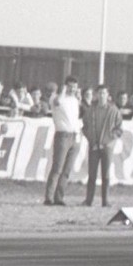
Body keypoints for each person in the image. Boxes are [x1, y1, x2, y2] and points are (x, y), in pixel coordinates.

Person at [81, 85, 123, 207]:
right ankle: (88, 200)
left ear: (108, 95)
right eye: (99, 93)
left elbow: (119, 129)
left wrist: (109, 140)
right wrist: (91, 140)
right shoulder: (91, 110)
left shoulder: (113, 110)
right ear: (96, 95)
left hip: (107, 147)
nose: (101, 95)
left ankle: (106, 200)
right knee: (92, 174)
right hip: (93, 146)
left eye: (104, 93)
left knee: (106, 174)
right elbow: (85, 127)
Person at [44, 75, 81, 206]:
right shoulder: (57, 98)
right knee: (57, 168)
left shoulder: (75, 100)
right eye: (70, 87)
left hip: (74, 135)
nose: (72, 90)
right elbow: (57, 103)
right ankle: (49, 197)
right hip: (62, 135)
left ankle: (59, 196)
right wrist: (63, 91)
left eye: (74, 87)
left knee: (67, 170)